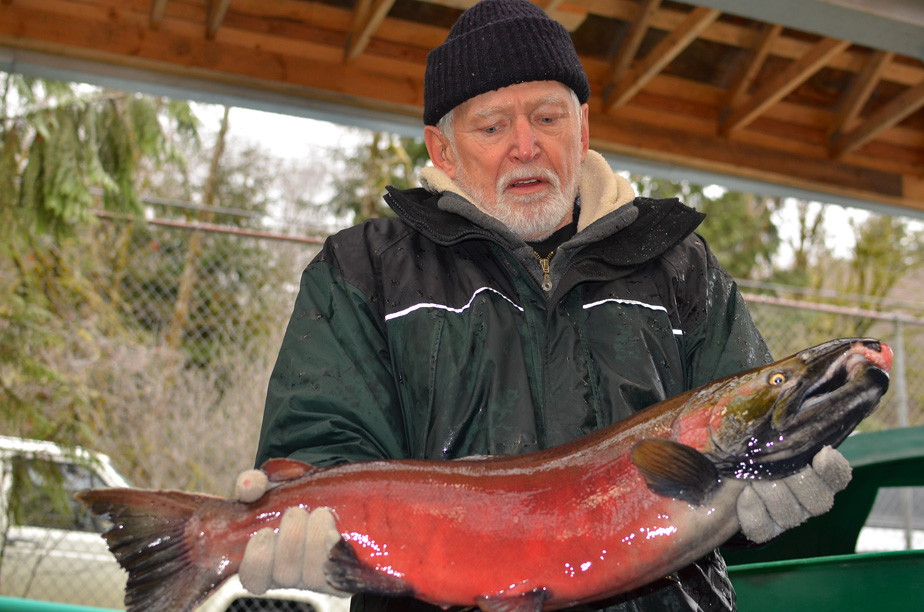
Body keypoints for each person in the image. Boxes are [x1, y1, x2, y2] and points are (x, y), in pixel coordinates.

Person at [234, 1, 853, 610]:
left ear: (581, 129)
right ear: (443, 150)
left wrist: (767, 502)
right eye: (492, 125)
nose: (525, 145)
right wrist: (303, 519)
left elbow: (741, 448)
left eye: (548, 118)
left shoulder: (683, 269)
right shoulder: (364, 269)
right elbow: (321, 442)